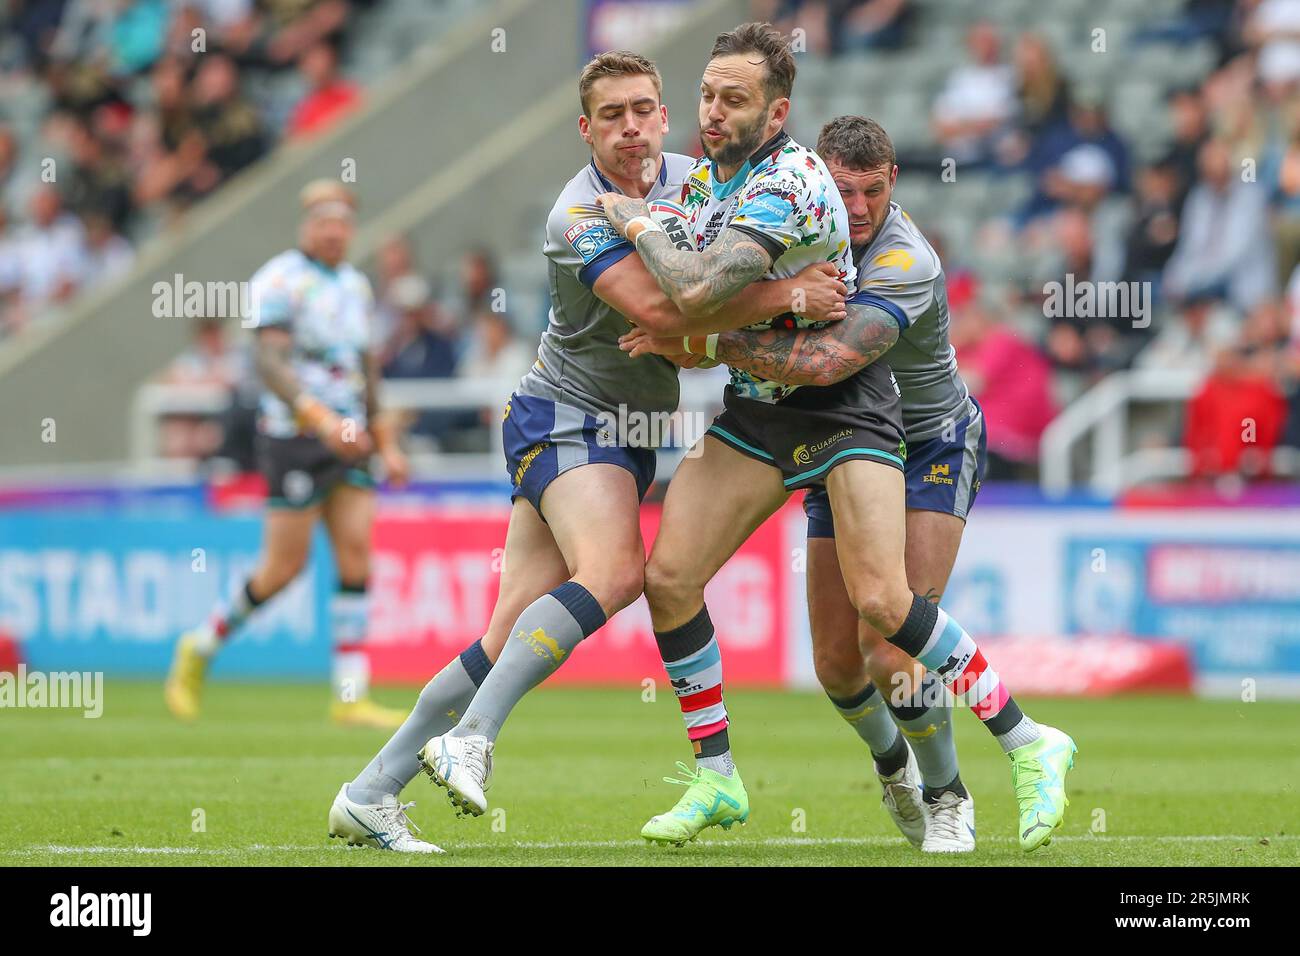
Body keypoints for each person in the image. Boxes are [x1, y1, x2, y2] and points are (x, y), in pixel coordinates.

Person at [325, 50, 847, 853]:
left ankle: (370, 792)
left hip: (625, 432)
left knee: (504, 638)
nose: (631, 127)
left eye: (644, 109)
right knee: (614, 573)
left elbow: (705, 312)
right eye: (612, 115)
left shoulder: (697, 179)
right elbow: (661, 305)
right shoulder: (577, 214)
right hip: (564, 417)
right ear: (586, 129)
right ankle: (473, 741)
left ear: (665, 116)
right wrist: (788, 294)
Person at [601, 25, 1076, 853]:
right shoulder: (721, 179)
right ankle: (748, 776)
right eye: (707, 96)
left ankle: (991, 767)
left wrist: (666, 275)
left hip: (895, 422)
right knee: (726, 607)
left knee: (889, 628)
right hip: (767, 409)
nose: (854, 211)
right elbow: (701, 300)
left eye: (872, 194)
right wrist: (744, 297)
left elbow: (814, 354)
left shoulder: (892, 252)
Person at [164, 180, 410, 731]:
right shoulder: (279, 279)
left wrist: (386, 440)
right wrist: (319, 420)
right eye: (324, 220)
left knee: (356, 559)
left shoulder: (355, 286)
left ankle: (350, 695)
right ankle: (200, 646)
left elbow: (365, 369)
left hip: (349, 437)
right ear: (307, 224)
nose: (334, 230)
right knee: (282, 568)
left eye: (343, 221)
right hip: (295, 437)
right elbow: (271, 366)